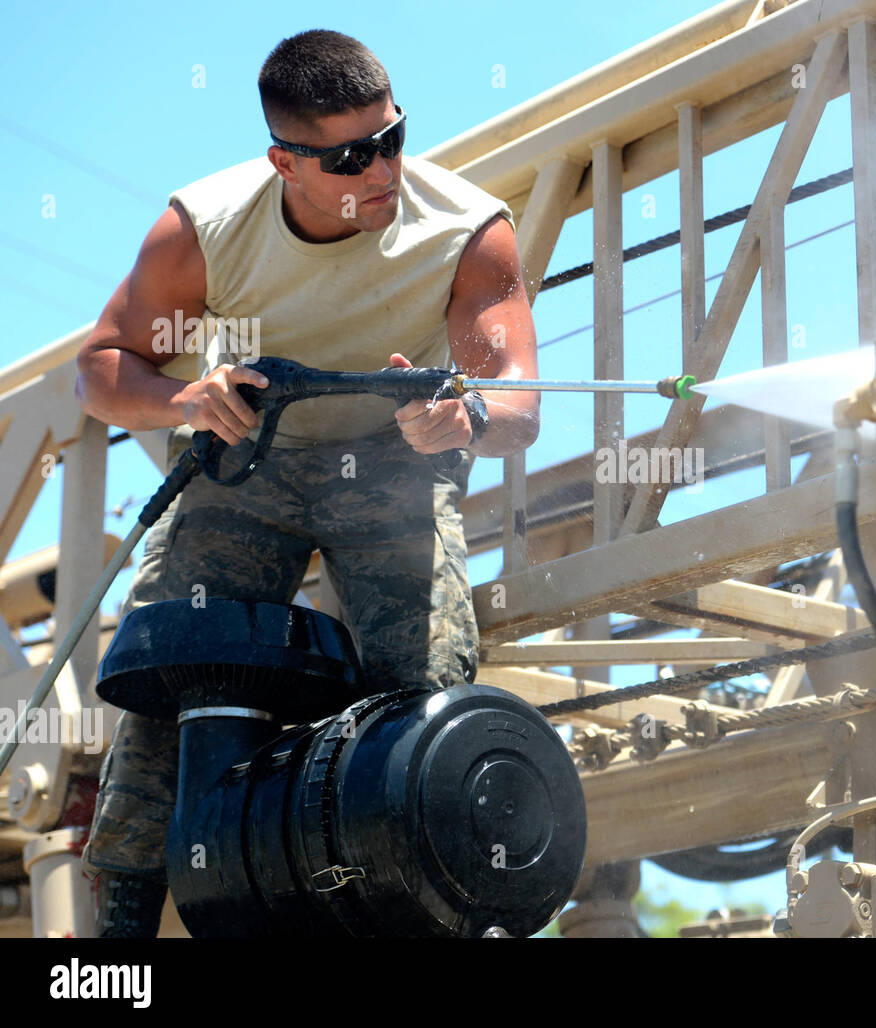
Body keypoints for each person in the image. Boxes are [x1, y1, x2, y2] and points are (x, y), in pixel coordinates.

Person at [73, 29, 539, 937]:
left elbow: (519, 400)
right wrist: (186, 399)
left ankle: (418, 911)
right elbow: (101, 371)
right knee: (176, 682)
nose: (383, 170)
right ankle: (116, 944)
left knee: (429, 692)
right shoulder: (205, 227)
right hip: (246, 460)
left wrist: (467, 418)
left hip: (398, 463)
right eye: (350, 157)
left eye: (393, 138)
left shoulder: (467, 229)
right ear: (285, 160)